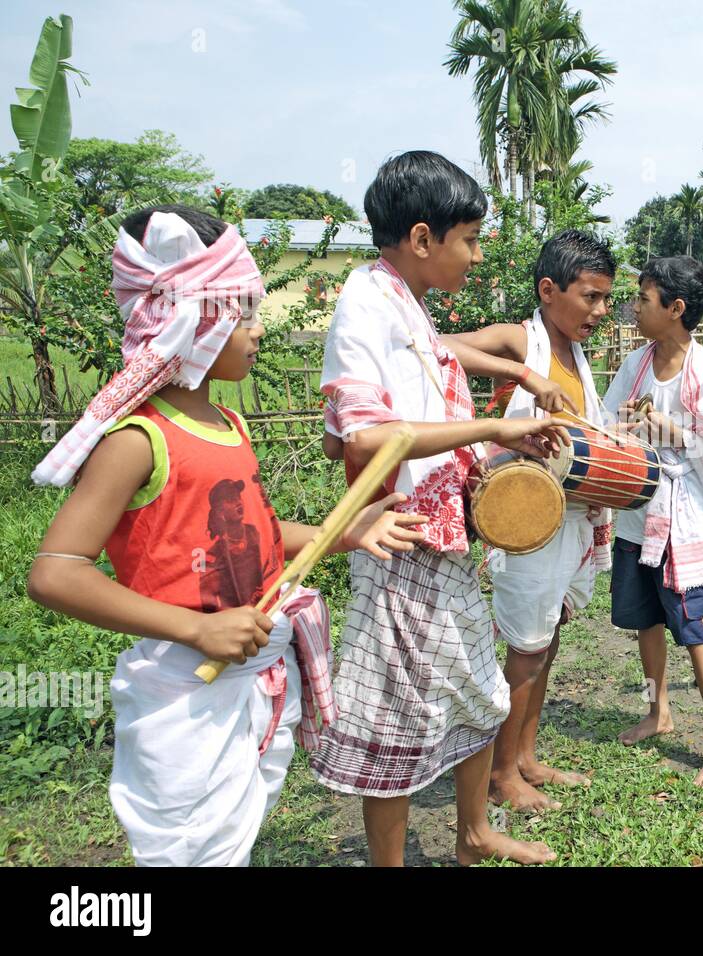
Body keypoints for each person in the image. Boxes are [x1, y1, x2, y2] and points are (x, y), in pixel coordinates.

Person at [26, 204, 422, 866]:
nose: (258, 330)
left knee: (232, 834)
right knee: (189, 849)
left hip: (258, 667)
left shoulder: (227, 425)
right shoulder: (137, 439)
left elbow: (258, 534)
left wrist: (341, 531)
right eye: (243, 313)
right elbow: (55, 571)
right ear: (196, 319)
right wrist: (195, 629)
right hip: (185, 682)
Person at [309, 151, 570, 866]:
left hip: (440, 540)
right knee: (396, 715)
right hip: (400, 544)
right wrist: (492, 428)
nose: (478, 258)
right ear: (423, 239)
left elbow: (437, 358)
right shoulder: (364, 303)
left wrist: (517, 375)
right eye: (471, 240)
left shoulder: (401, 301)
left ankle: (474, 836)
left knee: (478, 692)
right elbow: (361, 437)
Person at [440, 229, 616, 812]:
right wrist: (523, 376)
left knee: (549, 639)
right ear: (548, 290)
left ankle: (526, 756)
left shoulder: (578, 354)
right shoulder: (524, 341)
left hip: (568, 521)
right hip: (525, 523)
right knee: (525, 650)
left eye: (606, 298)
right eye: (589, 296)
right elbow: (438, 345)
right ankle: (500, 772)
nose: (601, 310)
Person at [603, 256, 703, 788]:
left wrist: (665, 428)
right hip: (638, 507)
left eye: (644, 298)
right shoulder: (635, 363)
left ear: (675, 308)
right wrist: (633, 428)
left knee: (695, 628)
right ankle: (658, 709)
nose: (635, 307)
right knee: (645, 618)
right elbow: (608, 418)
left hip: (681, 513)